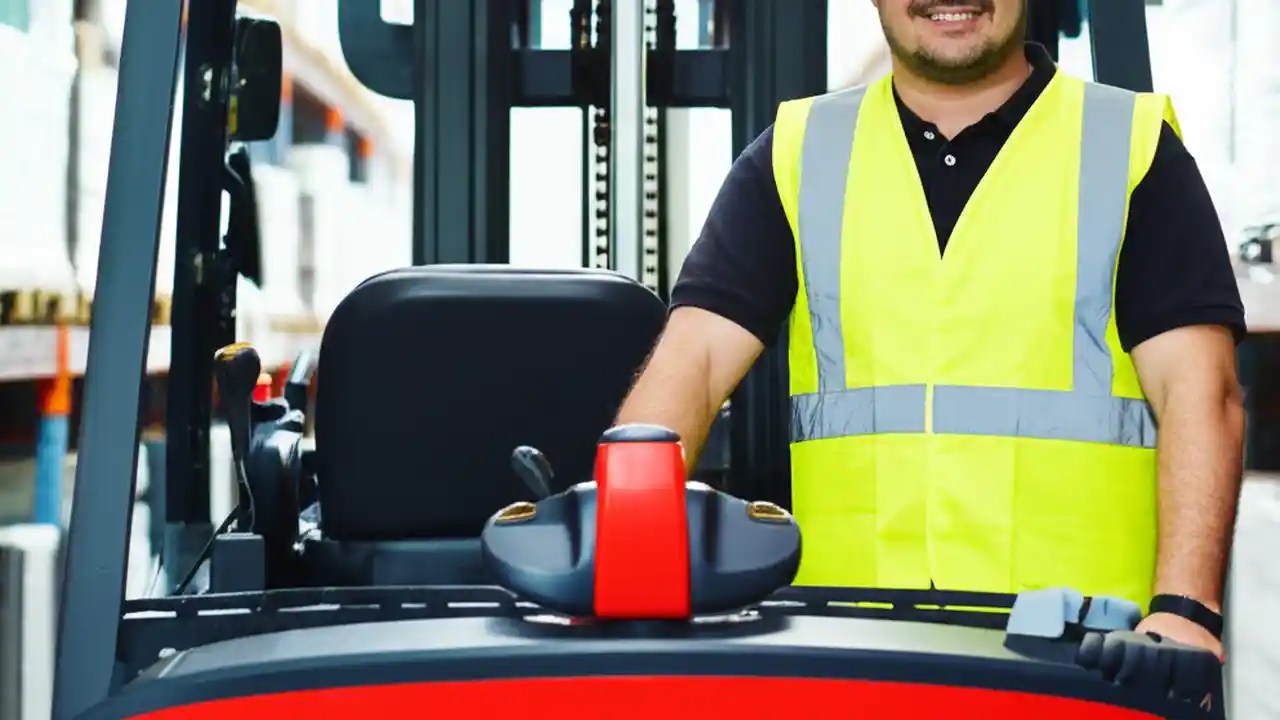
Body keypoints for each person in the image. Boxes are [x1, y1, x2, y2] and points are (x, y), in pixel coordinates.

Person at [613, 0, 1246, 662]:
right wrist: (618, 540)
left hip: (1085, 655)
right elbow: (696, 361)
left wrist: (1183, 609)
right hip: (853, 650)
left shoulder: (1130, 148)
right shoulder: (800, 152)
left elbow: (1199, 394)